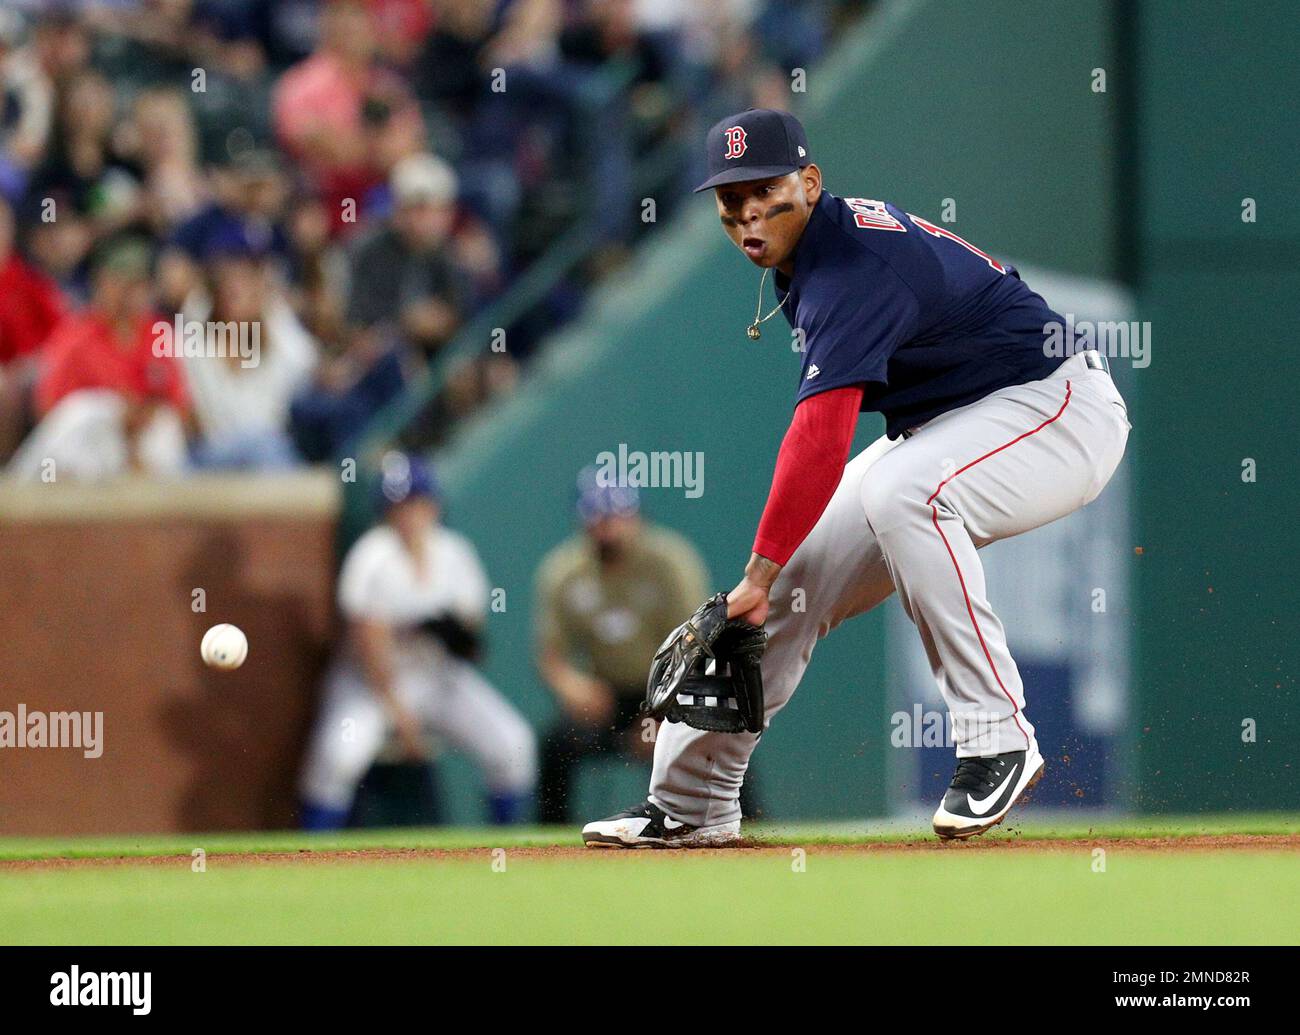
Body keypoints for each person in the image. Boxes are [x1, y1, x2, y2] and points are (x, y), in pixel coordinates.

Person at [582, 108, 1131, 847]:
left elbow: (819, 438)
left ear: (809, 182)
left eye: (763, 189)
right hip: (954, 422)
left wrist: (755, 566)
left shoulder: (848, 267)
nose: (746, 211)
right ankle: (690, 804)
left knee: (900, 492)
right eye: (729, 197)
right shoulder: (806, 255)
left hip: (1060, 405)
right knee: (783, 588)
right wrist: (765, 579)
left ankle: (998, 737)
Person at [299, 453, 536, 828]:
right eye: (398, 506)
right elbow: (369, 646)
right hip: (369, 685)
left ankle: (509, 848)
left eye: (415, 502)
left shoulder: (455, 553)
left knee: (513, 743)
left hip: (438, 679)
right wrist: (398, 713)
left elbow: (472, 647)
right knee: (337, 757)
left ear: (433, 505)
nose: (408, 513)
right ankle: (308, 858)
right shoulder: (372, 556)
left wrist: (454, 634)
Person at [534, 469, 708, 824]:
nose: (607, 528)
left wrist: (661, 713)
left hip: (669, 693)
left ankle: (746, 830)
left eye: (617, 516)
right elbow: (551, 655)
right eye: (597, 518)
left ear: (636, 516)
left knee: (720, 738)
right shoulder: (563, 573)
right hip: (606, 700)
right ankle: (551, 839)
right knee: (555, 745)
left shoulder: (670, 563)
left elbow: (697, 647)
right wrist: (573, 687)